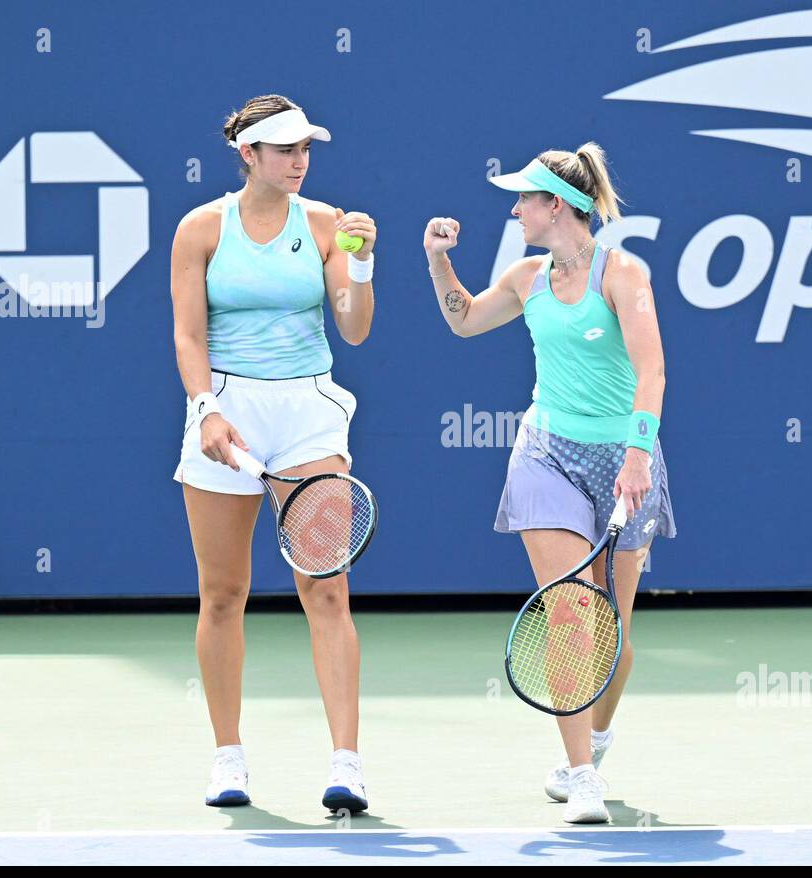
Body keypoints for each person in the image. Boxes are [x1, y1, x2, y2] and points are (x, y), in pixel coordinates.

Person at [423, 143, 675, 823]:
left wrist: (637, 453)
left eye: (525, 200)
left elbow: (651, 373)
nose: (515, 209)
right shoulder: (526, 276)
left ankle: (592, 739)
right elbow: (465, 319)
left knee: (613, 633)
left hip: (624, 459)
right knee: (570, 610)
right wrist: (438, 260)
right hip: (546, 455)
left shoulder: (623, 276)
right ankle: (582, 776)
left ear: (556, 207)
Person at [170, 94, 377, 813]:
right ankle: (228, 759)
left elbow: (352, 329)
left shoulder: (326, 225)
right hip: (227, 410)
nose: (299, 161)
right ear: (247, 156)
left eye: (306, 150)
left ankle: (346, 765)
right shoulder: (200, 230)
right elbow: (189, 337)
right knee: (223, 594)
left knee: (326, 586)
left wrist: (364, 264)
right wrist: (206, 411)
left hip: (308, 414)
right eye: (285, 150)